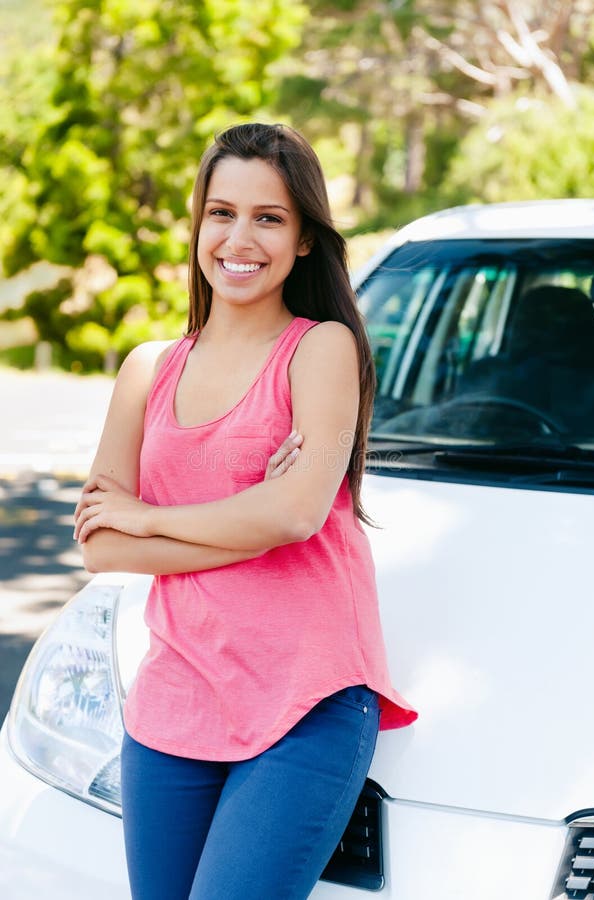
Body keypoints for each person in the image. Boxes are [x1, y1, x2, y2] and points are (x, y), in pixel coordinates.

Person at [73, 122, 417, 900]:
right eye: (220, 212)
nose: (239, 237)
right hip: (173, 701)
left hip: (306, 699)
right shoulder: (148, 369)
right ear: (197, 224)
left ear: (302, 240)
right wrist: (245, 511)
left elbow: (294, 518)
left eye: (269, 217)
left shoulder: (320, 350)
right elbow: (100, 547)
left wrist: (150, 517)